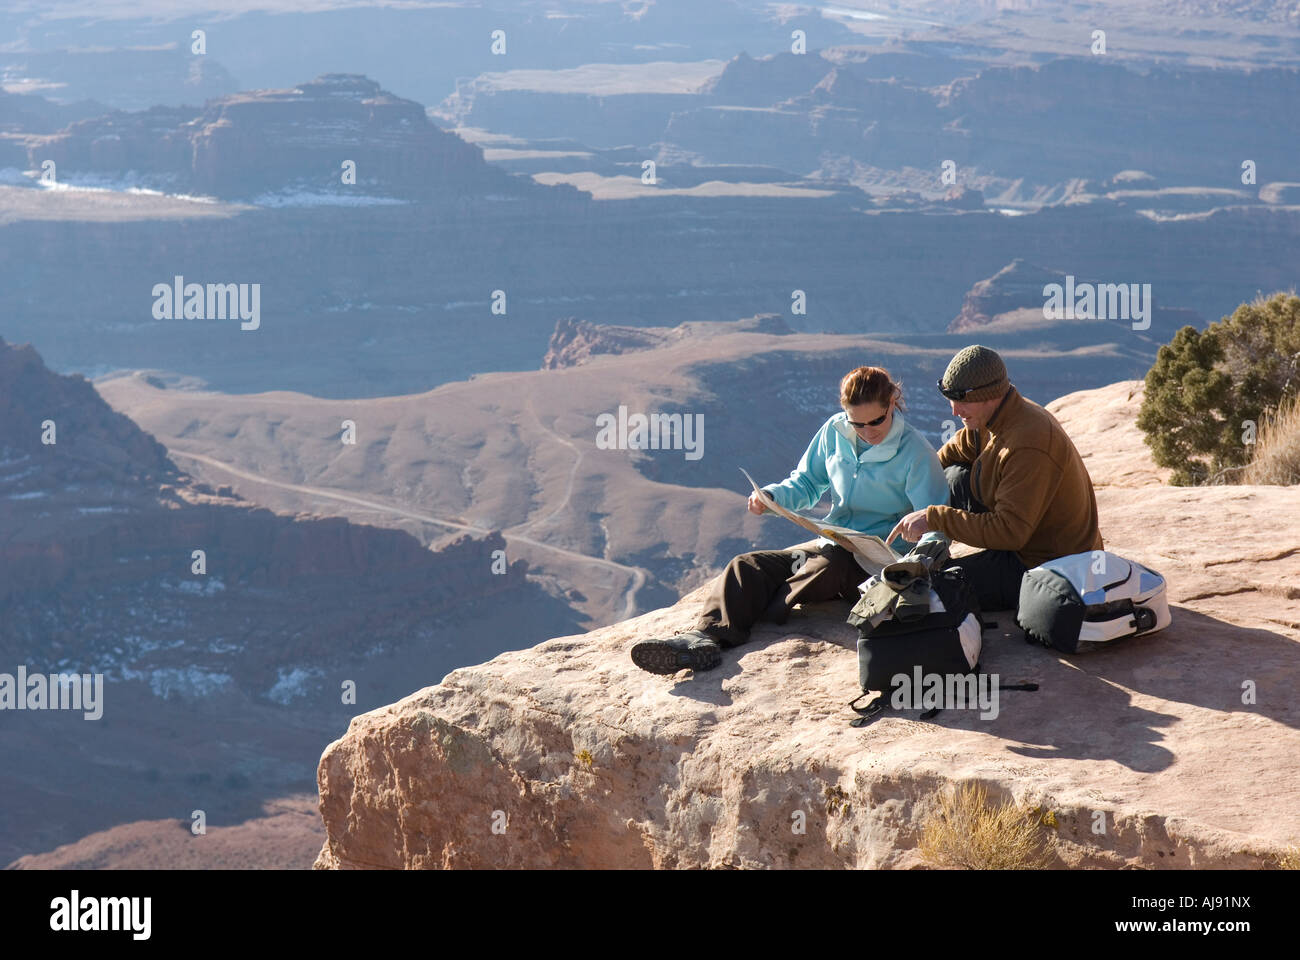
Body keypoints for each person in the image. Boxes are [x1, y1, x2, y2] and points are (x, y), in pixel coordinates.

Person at [630, 366, 950, 675]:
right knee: (748, 566)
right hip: (833, 544)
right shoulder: (834, 432)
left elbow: (935, 521)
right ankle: (703, 639)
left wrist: (914, 567)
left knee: (830, 565)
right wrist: (771, 498)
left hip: (875, 567)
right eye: (857, 424)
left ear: (892, 402)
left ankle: (757, 611)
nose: (867, 432)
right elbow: (807, 483)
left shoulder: (915, 453)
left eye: (876, 421)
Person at [888, 344, 1104, 612]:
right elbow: (950, 454)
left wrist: (934, 517)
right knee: (953, 476)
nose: (954, 411)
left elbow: (1010, 532)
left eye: (961, 400)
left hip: (1048, 563)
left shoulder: (1029, 442)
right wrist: (907, 489)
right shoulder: (990, 419)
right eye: (949, 398)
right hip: (1024, 537)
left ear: (989, 395)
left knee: (928, 588)